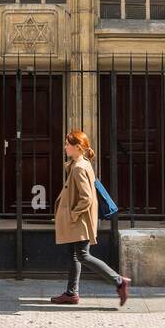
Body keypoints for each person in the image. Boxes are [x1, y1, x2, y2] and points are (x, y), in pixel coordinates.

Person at [50, 129, 131, 306]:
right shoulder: (82, 162)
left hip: (79, 220)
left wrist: (72, 214)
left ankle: (119, 281)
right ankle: (71, 293)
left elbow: (86, 197)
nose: (64, 147)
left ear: (77, 147)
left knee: (83, 255)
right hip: (79, 219)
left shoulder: (79, 167)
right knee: (74, 254)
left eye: (67, 144)